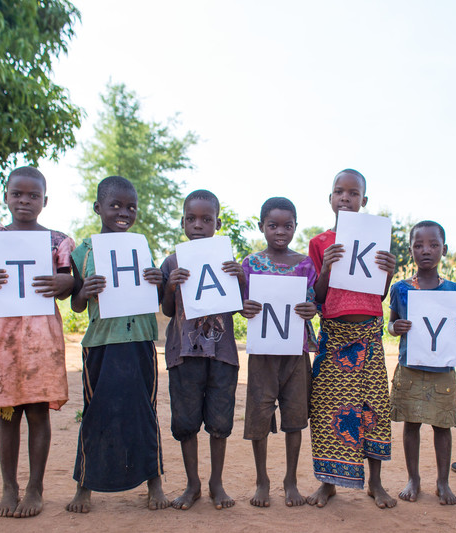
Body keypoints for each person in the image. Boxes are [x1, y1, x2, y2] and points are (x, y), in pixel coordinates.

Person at [0, 166, 74, 518]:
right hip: (3, 338)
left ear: (45, 200)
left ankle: (35, 488)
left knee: (38, 411)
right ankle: (8, 488)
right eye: (17, 194)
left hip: (42, 337)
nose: (25, 201)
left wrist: (64, 284)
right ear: (5, 197)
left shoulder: (58, 241)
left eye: (33, 195)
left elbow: (68, 284)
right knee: (7, 412)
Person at [66, 176, 169, 514]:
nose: (124, 212)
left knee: (144, 411)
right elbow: (76, 305)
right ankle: (84, 486)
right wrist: (84, 291)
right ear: (98, 208)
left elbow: (153, 295)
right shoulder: (83, 251)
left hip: (139, 340)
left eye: (131, 207)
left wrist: (158, 281)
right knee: (96, 412)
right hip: (101, 343)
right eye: (115, 205)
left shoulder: (140, 246)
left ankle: (154, 483)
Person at [307, 169, 397, 508]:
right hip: (334, 336)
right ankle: (328, 483)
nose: (345, 197)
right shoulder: (320, 243)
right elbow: (317, 297)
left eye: (353, 193)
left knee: (373, 407)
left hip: (369, 334)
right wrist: (326, 269)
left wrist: (388, 271)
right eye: (339, 191)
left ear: (364, 200)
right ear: (330, 198)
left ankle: (376, 482)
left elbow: (380, 295)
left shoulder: (377, 238)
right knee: (328, 408)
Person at [161, 189, 245, 510]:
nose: (198, 225)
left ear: (217, 224)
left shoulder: (226, 261)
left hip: (222, 353)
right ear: (183, 222)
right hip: (184, 352)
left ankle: (216, 483)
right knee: (186, 421)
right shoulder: (172, 262)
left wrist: (239, 279)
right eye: (191, 219)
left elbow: (238, 308)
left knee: (220, 421)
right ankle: (192, 483)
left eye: (206, 219)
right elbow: (167, 310)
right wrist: (171, 285)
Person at [387, 220, 456, 505]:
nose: (426, 250)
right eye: (419, 245)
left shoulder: (452, 290)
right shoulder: (400, 289)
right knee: (411, 424)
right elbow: (390, 324)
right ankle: (413, 479)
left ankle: (442, 482)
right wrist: (395, 327)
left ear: (444, 250)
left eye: (434, 245)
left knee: (442, 426)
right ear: (410, 249)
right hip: (410, 367)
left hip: (442, 370)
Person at [240, 197, 318, 507]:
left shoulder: (306, 264)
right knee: (259, 414)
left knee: (295, 416)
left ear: (296, 226)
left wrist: (311, 309)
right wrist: (244, 308)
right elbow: (241, 302)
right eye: (273, 225)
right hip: (262, 352)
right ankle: (262, 480)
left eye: (288, 225)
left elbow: (314, 301)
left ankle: (290, 480)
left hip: (295, 351)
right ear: (262, 226)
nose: (280, 231)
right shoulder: (250, 264)